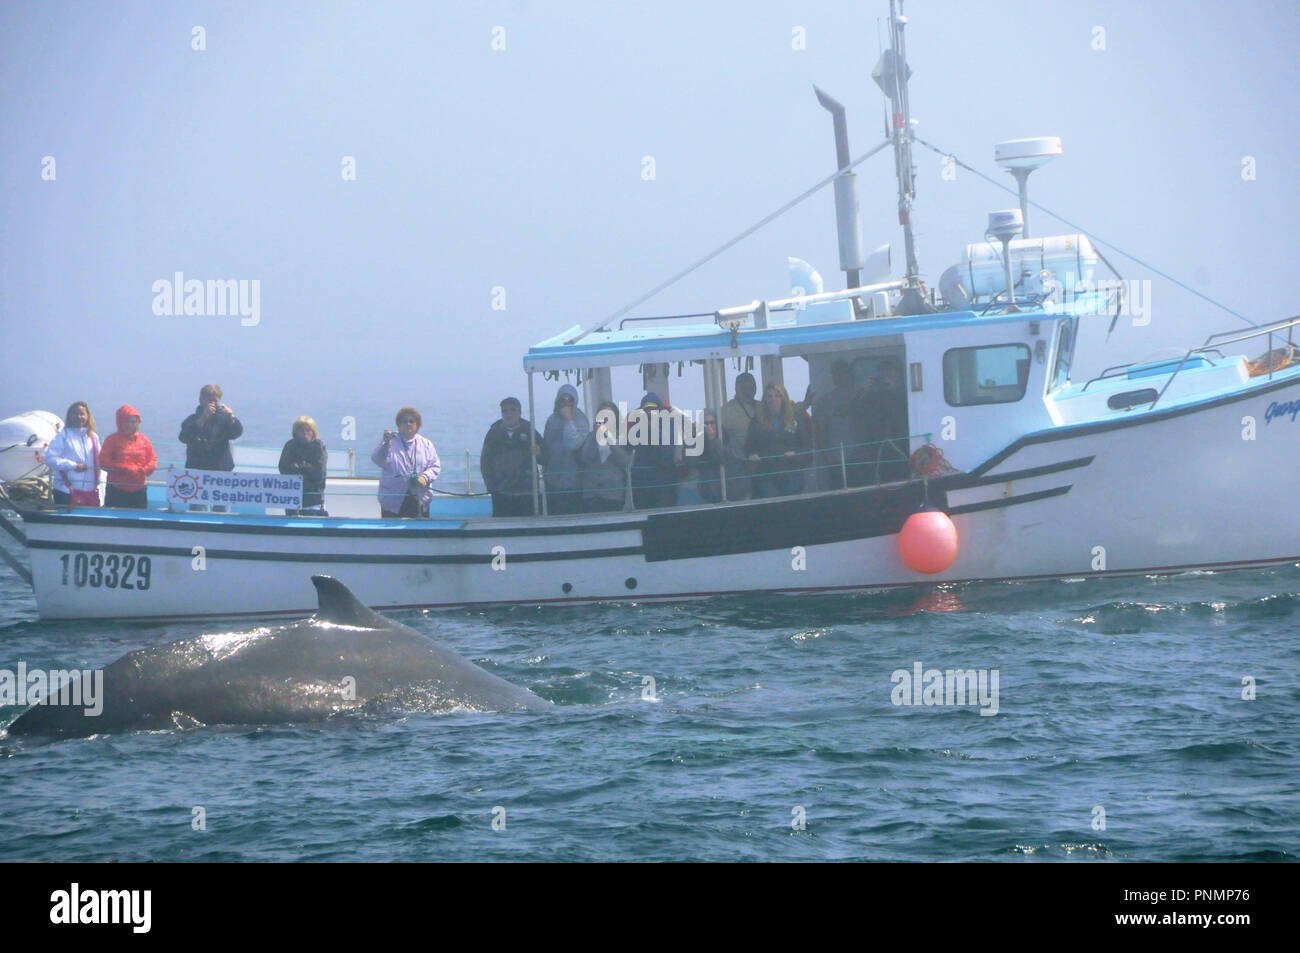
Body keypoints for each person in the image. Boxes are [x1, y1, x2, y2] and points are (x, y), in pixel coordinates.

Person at [371, 407, 441, 518]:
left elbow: (435, 466)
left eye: (412, 421)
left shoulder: (426, 444)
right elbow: (377, 459)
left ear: (417, 425)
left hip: (419, 498)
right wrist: (385, 443)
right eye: (404, 421)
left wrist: (425, 477)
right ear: (398, 424)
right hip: (393, 501)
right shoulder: (390, 441)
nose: (408, 424)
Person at [480, 397, 544, 516]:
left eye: (512, 410)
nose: (509, 414)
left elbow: (545, 458)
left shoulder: (530, 431)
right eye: (505, 411)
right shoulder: (493, 433)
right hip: (502, 492)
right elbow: (485, 463)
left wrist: (539, 452)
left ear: (519, 412)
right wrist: (491, 487)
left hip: (527, 492)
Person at [745, 382, 810, 498]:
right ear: (765, 399)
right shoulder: (756, 421)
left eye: (777, 396)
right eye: (769, 396)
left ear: (783, 398)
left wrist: (796, 454)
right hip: (766, 477)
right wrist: (752, 455)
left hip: (791, 475)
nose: (773, 399)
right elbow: (748, 446)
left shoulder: (795, 418)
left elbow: (807, 446)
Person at [813, 360, 870, 488]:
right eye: (836, 373)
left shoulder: (864, 397)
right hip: (836, 459)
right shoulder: (824, 402)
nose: (840, 376)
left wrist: (868, 451)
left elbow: (870, 425)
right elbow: (820, 432)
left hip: (861, 458)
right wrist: (828, 457)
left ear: (850, 374)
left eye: (844, 372)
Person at [43, 402, 102, 508]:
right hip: (66, 492)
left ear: (88, 416)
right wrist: (73, 465)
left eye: (82, 414)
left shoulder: (94, 437)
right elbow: (49, 458)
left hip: (90, 494)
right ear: (69, 416)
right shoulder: (63, 436)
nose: (79, 417)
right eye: (75, 414)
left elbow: (101, 460)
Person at [99, 405, 158, 509]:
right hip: (116, 490)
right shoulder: (111, 440)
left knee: (138, 522)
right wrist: (123, 468)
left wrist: (145, 469)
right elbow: (103, 462)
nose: (130, 425)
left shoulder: (144, 440)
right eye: (126, 421)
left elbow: (152, 459)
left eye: (133, 422)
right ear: (119, 422)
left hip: (139, 490)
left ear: (138, 423)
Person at [542, 384, 588, 515]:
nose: (566, 403)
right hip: (553, 480)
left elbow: (572, 444)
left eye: (570, 399)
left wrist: (569, 420)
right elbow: (547, 445)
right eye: (563, 399)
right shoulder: (551, 420)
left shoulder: (581, 419)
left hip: (574, 480)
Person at [578, 401, 632, 512]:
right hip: (592, 493)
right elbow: (585, 458)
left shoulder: (622, 437)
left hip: (613, 494)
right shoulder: (591, 436)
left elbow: (624, 461)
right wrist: (595, 435)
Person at [630, 392, 680, 510]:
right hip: (643, 486)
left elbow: (667, 452)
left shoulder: (669, 424)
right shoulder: (636, 428)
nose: (650, 413)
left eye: (653, 410)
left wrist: (653, 429)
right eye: (646, 410)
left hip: (664, 486)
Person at [179, 384, 243, 471]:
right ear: (201, 401)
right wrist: (203, 419)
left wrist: (231, 418)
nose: (212, 404)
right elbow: (184, 438)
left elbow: (236, 433)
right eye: (209, 401)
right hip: (197, 468)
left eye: (215, 401)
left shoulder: (224, 420)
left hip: (221, 470)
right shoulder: (192, 420)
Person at [694, 408, 748, 503]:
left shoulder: (728, 436)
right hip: (710, 497)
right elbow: (689, 462)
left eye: (712, 422)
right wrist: (690, 436)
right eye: (705, 424)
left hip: (736, 493)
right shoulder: (699, 441)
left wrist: (713, 440)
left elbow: (726, 458)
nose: (709, 426)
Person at [278, 416, 328, 516]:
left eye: (308, 430)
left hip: (313, 501)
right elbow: (283, 468)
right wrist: (306, 467)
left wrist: (299, 466)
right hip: (292, 499)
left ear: (313, 432)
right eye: (300, 430)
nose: (305, 433)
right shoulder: (290, 445)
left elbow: (318, 472)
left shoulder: (318, 446)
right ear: (295, 432)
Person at [721, 371, 760, 450]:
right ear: (736, 389)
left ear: (755, 389)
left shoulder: (763, 407)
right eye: (743, 388)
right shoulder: (727, 410)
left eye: (750, 388)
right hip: (740, 458)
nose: (747, 391)